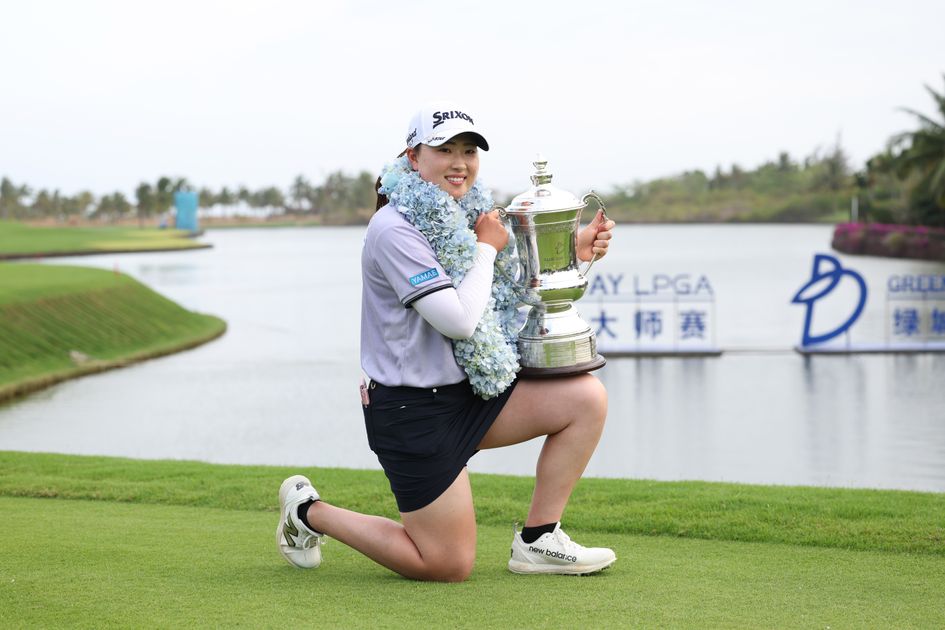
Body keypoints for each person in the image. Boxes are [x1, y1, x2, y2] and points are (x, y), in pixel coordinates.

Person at [276, 101, 617, 582]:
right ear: (414, 157)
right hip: (412, 411)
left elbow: (497, 291)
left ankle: (538, 540)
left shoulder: (468, 216)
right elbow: (458, 319)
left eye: (469, 151)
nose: (460, 162)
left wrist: (571, 250)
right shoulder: (393, 228)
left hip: (472, 395)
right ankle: (307, 513)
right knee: (446, 564)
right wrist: (485, 247)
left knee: (585, 398)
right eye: (445, 150)